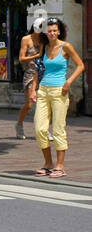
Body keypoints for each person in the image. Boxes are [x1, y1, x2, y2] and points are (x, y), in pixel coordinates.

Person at [34, 18, 85, 178]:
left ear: (59, 31)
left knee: (58, 129)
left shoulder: (66, 46)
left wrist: (69, 82)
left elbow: (81, 65)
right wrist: (34, 88)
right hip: (43, 90)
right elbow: (38, 68)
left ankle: (60, 166)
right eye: (49, 31)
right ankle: (48, 163)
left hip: (59, 91)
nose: (52, 33)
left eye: (55, 30)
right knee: (40, 128)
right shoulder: (45, 47)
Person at [15, 18, 45, 140]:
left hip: (43, 72)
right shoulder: (26, 39)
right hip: (31, 73)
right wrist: (36, 55)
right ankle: (19, 124)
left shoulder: (45, 39)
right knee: (30, 104)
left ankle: (44, 130)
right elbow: (21, 58)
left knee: (44, 104)